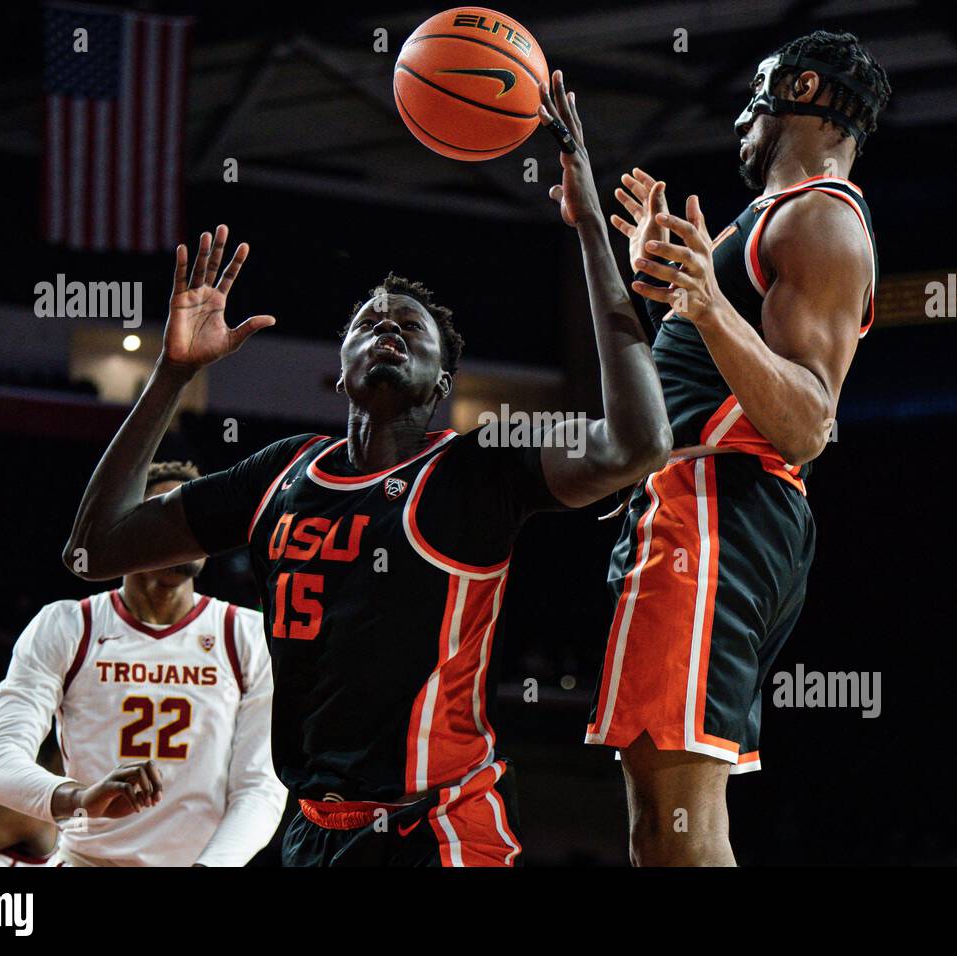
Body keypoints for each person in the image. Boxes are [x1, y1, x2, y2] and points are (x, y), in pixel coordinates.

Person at [62, 72, 671, 866]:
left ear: (443, 385)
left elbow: (639, 444)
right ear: (341, 369)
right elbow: (90, 549)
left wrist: (589, 228)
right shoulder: (279, 475)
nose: (387, 328)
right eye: (368, 323)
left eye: (410, 327)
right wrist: (172, 376)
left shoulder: (476, 470)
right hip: (312, 831)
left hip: (441, 826)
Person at [594, 29, 891, 865]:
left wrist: (706, 303)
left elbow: (808, 423)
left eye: (750, 96)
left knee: (675, 828)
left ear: (798, 88)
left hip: (719, 515)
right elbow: (715, 380)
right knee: (670, 824)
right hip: (700, 508)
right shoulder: (763, 222)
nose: (736, 123)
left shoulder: (823, 219)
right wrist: (672, 290)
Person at [0, 461, 287, 866]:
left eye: (193, 518)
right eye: (164, 513)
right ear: (126, 531)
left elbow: (260, 788)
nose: (185, 530)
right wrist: (79, 797)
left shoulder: (245, 634)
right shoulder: (69, 625)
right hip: (85, 858)